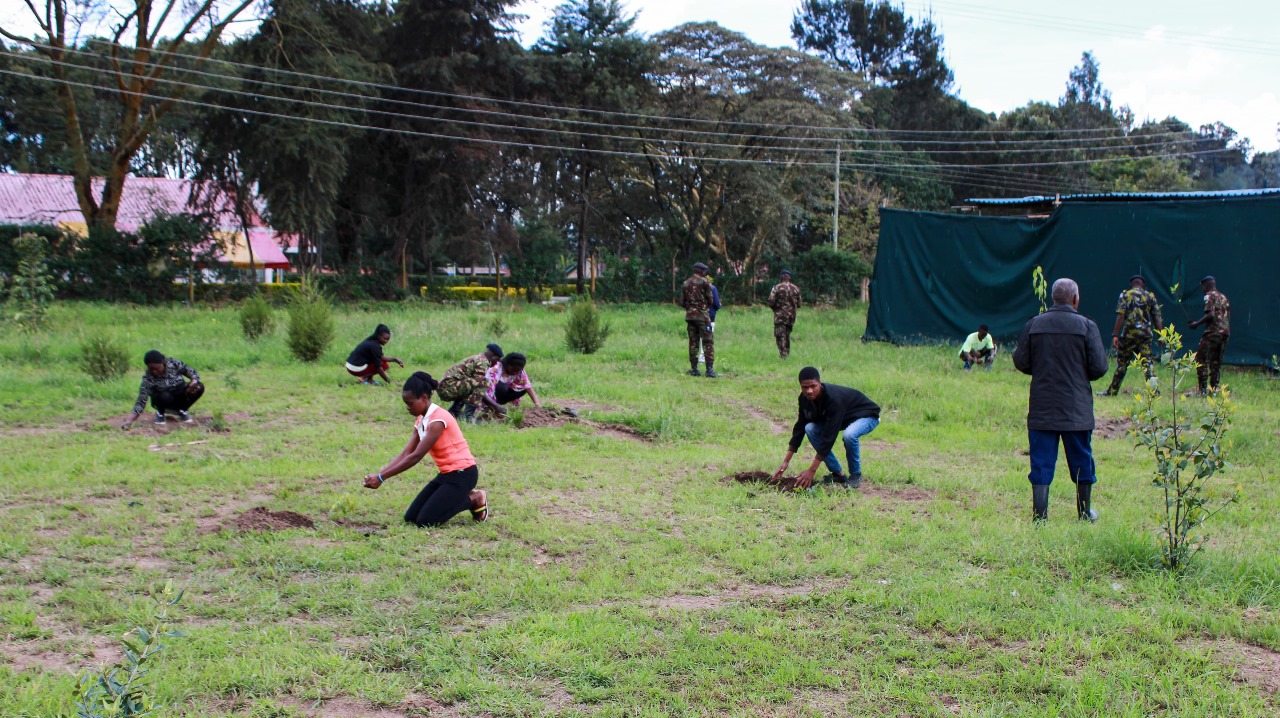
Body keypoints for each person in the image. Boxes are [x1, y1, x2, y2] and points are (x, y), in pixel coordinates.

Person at [1012, 278, 1108, 522]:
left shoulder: (1034, 324)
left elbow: (1021, 362)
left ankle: (1040, 517)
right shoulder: (1087, 326)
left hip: (1042, 407)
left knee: (1041, 462)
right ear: (1075, 299)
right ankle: (1085, 513)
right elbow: (1099, 368)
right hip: (1076, 410)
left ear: (1054, 298)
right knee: (1081, 460)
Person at [363, 372, 489, 527]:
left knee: (426, 521)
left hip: (462, 474)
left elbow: (416, 456)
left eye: (410, 403)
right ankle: (458, 498)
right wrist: (379, 475)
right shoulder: (422, 419)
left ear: (423, 398)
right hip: (446, 475)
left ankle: (474, 498)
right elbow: (406, 453)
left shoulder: (438, 420)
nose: (408, 408)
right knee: (411, 518)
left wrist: (382, 478)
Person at [773, 366, 880, 490]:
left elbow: (829, 438)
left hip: (868, 416)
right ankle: (838, 474)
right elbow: (800, 427)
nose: (809, 391)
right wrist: (785, 462)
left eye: (813, 386)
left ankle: (855, 475)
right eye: (805, 387)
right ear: (800, 386)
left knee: (849, 435)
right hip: (845, 418)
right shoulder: (804, 399)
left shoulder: (833, 399)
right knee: (809, 428)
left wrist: (812, 470)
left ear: (820, 383)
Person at [1100, 275, 1162, 396]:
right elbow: (1157, 317)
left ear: (1131, 284)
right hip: (1145, 336)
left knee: (1122, 364)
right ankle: (1154, 392)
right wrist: (1160, 335)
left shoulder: (1125, 295)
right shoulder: (1150, 296)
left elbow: (1120, 316)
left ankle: (1112, 391)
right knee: (1147, 364)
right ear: (1142, 284)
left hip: (1128, 335)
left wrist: (1115, 334)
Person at [122, 350, 204, 429]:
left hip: (179, 392)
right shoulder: (148, 379)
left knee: (199, 387)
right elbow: (140, 402)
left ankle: (182, 410)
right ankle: (160, 413)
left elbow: (192, 373)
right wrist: (129, 421)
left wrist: (193, 382)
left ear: (163, 362)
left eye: (157, 368)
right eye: (151, 369)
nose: (154, 372)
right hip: (162, 399)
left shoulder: (174, 363)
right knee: (164, 396)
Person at [1187, 275, 1231, 395]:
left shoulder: (1209, 296)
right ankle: (1215, 388)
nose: (1202, 289)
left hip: (1213, 332)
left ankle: (1202, 389)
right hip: (1225, 332)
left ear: (1206, 285)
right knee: (1216, 361)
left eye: (1203, 286)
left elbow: (1210, 315)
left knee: (1201, 358)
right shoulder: (1224, 297)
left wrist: (1196, 324)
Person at [437, 344, 504, 421]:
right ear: (493, 356)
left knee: (472, 384)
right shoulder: (482, 362)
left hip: (447, 388)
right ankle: (468, 416)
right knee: (484, 381)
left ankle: (454, 411)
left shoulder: (478, 358)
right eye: (497, 360)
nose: (496, 364)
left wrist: (492, 405)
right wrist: (495, 405)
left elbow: (474, 387)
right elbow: (480, 387)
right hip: (448, 388)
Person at [477, 352, 541, 421]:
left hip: (503, 394)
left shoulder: (519, 371)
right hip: (486, 394)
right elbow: (485, 390)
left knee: (522, 389)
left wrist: (537, 404)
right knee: (502, 387)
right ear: (507, 364)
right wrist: (494, 406)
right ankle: (491, 407)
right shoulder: (495, 369)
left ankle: (510, 407)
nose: (515, 373)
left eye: (518, 370)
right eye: (513, 370)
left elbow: (527, 386)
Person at [679, 262, 717, 378]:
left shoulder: (686, 283)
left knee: (693, 342)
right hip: (703, 317)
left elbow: (681, 302)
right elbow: (710, 300)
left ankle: (694, 369)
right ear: (701, 271)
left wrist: (691, 308)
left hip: (690, 317)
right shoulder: (705, 283)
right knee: (708, 341)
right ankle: (709, 370)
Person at [767, 270, 801, 358]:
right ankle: (787, 353)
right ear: (789, 277)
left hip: (780, 316)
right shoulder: (796, 288)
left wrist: (776, 308)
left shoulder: (777, 288)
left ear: (781, 277)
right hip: (791, 317)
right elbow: (799, 304)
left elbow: (770, 301)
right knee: (787, 335)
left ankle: (783, 355)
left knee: (780, 335)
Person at [698, 278, 721, 367]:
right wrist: (719, 306)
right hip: (709, 317)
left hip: (698, 315)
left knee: (700, 336)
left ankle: (699, 355)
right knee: (708, 337)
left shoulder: (697, 288)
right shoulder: (712, 288)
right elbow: (716, 303)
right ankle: (704, 356)